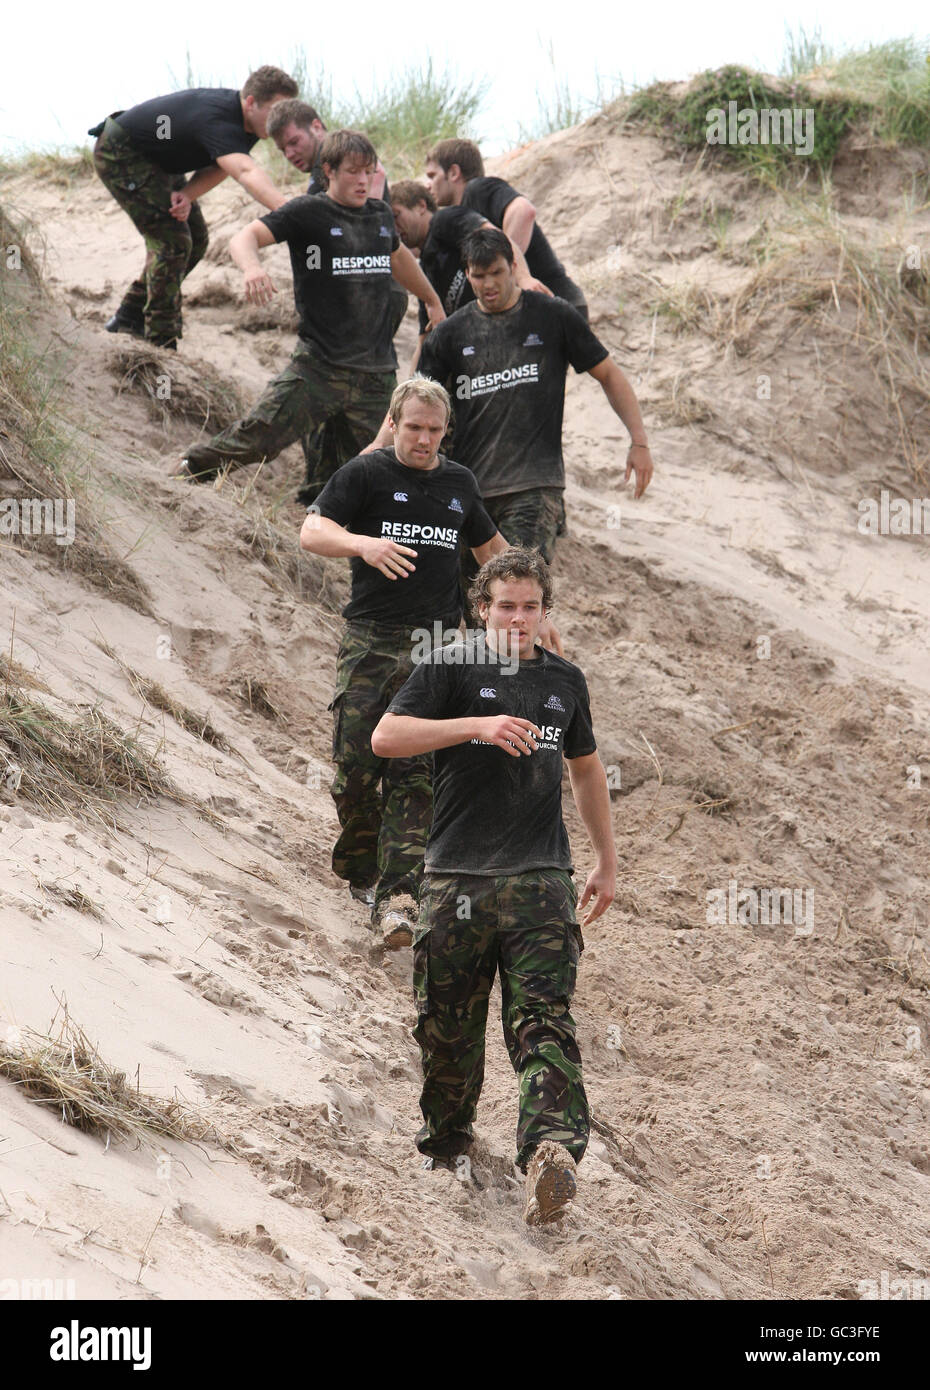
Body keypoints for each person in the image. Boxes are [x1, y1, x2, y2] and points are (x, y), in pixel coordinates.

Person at [371, 547, 616, 1224]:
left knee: (544, 1023)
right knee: (447, 1029)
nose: (516, 617)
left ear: (545, 613)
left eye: (530, 607)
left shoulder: (564, 681)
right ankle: (445, 1145)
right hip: (457, 880)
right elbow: (386, 736)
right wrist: (476, 725)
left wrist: (605, 859)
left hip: (541, 883)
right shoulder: (450, 664)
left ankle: (549, 1155)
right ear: (482, 608)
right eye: (504, 605)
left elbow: (587, 771)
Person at [298, 376, 510, 948]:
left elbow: (492, 553)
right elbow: (312, 531)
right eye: (413, 427)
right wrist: (363, 544)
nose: (423, 439)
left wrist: (523, 608)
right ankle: (361, 870)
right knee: (355, 770)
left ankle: (398, 900)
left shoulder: (459, 483)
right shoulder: (365, 474)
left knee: (417, 776)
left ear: (446, 430)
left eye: (434, 430)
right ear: (393, 423)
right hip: (370, 640)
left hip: (437, 648)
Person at [369, 227, 653, 569]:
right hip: (469, 489)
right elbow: (410, 404)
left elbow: (609, 374)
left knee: (518, 584)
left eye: (497, 273)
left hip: (534, 485)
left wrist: (639, 442)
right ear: (467, 275)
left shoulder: (553, 315)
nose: (489, 284)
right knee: (474, 607)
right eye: (479, 276)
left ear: (513, 266)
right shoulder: (451, 334)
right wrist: (373, 452)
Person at [177, 131, 444, 489]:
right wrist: (252, 269)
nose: (363, 181)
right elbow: (244, 237)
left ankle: (354, 536)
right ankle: (187, 470)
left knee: (386, 465)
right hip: (319, 366)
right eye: (353, 172)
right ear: (328, 171)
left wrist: (431, 299)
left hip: (375, 373)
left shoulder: (380, 216)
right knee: (260, 437)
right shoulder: (309, 211)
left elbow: (399, 259)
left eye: (369, 172)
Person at [90, 66, 299, 348]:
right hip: (122, 152)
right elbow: (245, 171)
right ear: (251, 103)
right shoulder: (219, 118)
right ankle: (160, 340)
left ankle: (129, 314)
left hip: (160, 161)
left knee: (197, 239)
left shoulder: (250, 124)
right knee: (172, 243)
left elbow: (221, 166)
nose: (281, 120)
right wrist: (290, 211)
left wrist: (187, 194)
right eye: (276, 110)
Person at [266, 99, 409, 500]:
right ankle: (324, 484)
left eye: (294, 141)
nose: (291, 152)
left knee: (335, 384)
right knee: (328, 393)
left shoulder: (349, 164)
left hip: (373, 292)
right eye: (282, 149)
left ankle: (335, 486)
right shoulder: (324, 182)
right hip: (353, 295)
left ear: (316, 128)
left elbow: (371, 219)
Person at [389, 179, 550, 367]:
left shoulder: (445, 220)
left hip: (510, 335)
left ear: (421, 206)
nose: (395, 227)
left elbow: (497, 239)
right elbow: (425, 338)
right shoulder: (425, 266)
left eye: (396, 215)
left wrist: (524, 278)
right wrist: (412, 387)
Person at [425, 137, 588, 320]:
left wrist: (520, 276)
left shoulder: (478, 190)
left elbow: (523, 211)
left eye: (432, 176)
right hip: (542, 307)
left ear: (454, 172)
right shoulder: (457, 218)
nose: (428, 185)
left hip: (554, 301)